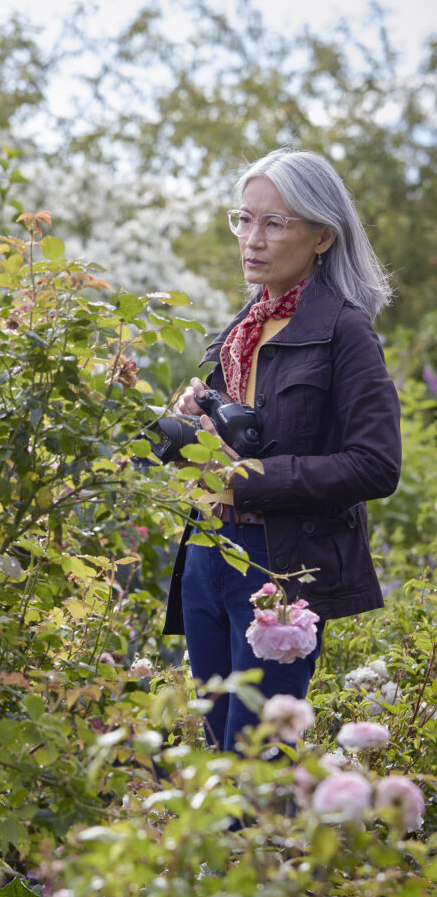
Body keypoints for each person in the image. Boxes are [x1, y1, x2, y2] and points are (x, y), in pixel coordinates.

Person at [162, 148, 401, 752]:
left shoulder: (345, 331)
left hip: (280, 565)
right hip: (208, 554)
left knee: (258, 759)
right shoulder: (239, 330)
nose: (253, 239)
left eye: (275, 223)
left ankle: (273, 849)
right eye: (244, 220)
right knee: (219, 751)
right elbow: (220, 446)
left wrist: (247, 479)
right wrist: (186, 419)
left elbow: (375, 464)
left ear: (322, 235)